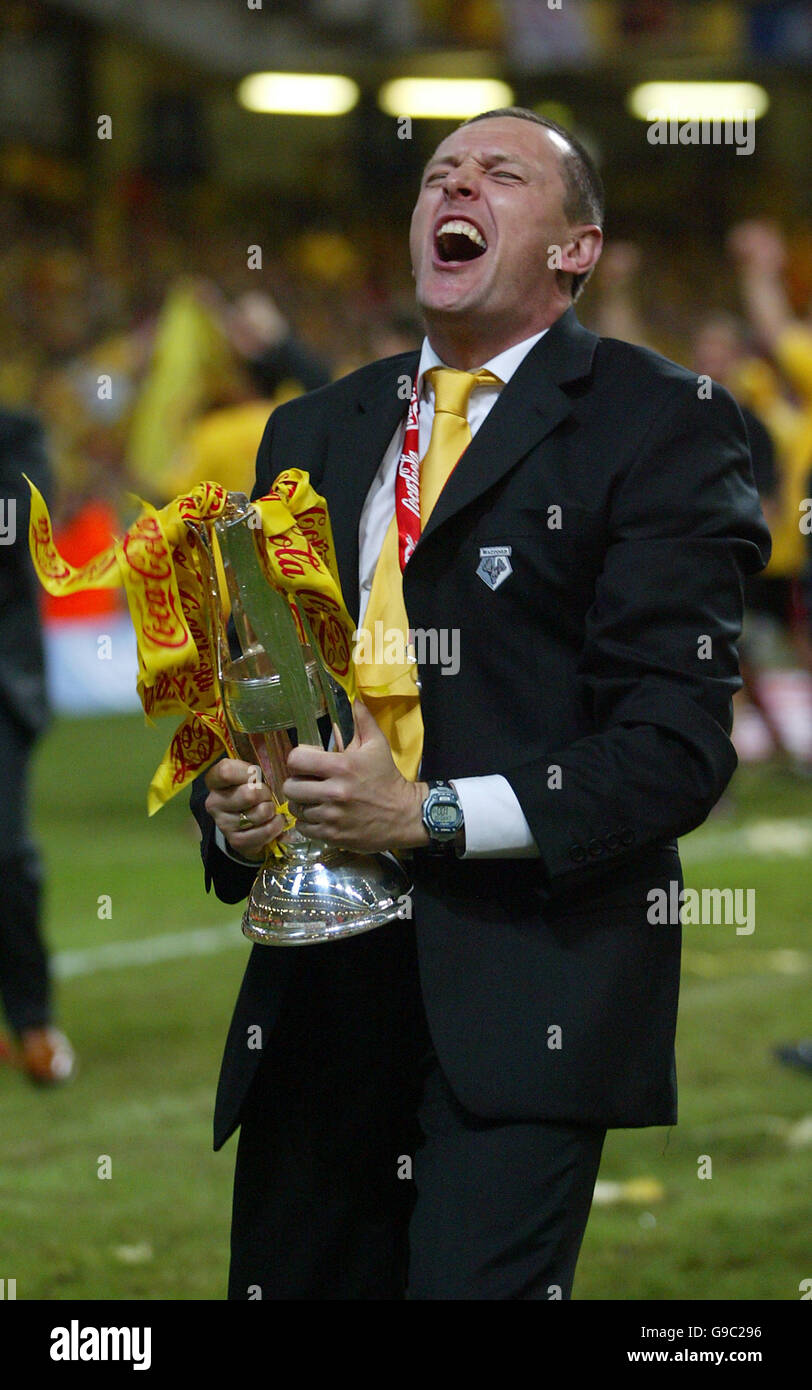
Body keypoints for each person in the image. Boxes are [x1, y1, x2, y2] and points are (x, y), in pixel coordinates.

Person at [191, 108, 770, 1300]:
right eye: (436, 174)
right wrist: (237, 802)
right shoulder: (311, 427)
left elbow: (670, 748)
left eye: (499, 174)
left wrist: (427, 814)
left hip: (524, 990)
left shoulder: (660, 422)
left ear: (575, 250)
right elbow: (266, 693)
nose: (454, 185)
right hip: (315, 1006)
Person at [0, 408, 75, 1084]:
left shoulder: (15, 431)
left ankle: (32, 1021)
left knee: (4, 852)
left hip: (1, 686)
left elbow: (14, 527)